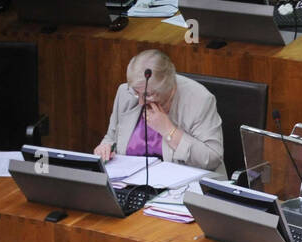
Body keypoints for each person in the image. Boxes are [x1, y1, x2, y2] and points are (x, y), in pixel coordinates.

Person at [93, 50, 225, 179]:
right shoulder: (125, 93)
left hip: (184, 189)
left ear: (169, 87)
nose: (140, 102)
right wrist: (105, 148)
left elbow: (213, 158)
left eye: (147, 95)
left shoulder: (200, 100)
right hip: (131, 186)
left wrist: (169, 130)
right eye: (135, 92)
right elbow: (111, 138)